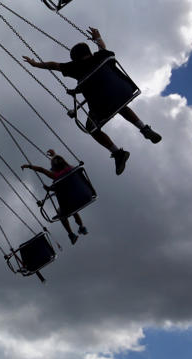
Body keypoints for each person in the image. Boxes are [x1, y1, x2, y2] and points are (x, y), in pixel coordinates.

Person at [23, 27, 161, 175]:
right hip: (124, 92)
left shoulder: (74, 67)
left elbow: (54, 65)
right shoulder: (101, 56)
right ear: (88, 52)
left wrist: (36, 64)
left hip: (103, 105)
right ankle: (144, 128)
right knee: (118, 104)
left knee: (92, 128)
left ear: (74, 58)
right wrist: (98, 37)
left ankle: (117, 153)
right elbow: (102, 48)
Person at [21, 150, 88, 244]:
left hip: (69, 204)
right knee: (73, 208)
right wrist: (54, 155)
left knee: (61, 212)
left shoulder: (56, 176)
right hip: (83, 196)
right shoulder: (72, 169)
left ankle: (71, 234)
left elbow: (41, 169)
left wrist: (28, 166)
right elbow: (60, 164)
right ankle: (82, 227)